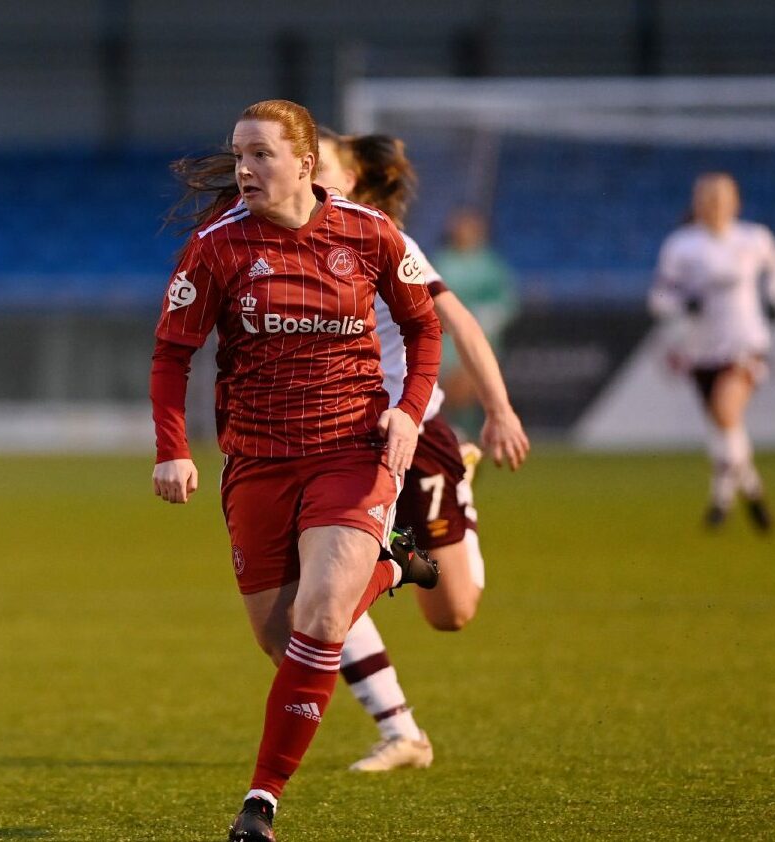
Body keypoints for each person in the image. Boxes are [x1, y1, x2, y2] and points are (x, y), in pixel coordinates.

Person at [150, 99, 443, 842]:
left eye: (261, 155)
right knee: (285, 643)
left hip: (351, 451)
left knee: (320, 618)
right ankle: (390, 566)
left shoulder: (369, 232)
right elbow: (172, 354)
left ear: (306, 164)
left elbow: (424, 326)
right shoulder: (216, 247)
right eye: (238, 155)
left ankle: (261, 804)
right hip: (256, 462)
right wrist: (172, 447)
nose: (244, 169)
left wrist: (408, 412)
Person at [315, 129, 530, 771]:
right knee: (320, 590)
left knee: (451, 612)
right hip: (333, 445)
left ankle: (437, 509)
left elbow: (457, 322)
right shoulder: (265, 248)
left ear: (351, 180)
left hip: (416, 434)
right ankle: (402, 731)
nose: (307, 176)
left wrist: (498, 409)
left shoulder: (384, 240)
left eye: (319, 165)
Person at [649, 172, 775, 531]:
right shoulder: (681, 246)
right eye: (707, 199)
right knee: (723, 427)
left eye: (721, 199)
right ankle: (743, 492)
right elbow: (659, 297)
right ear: (696, 204)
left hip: (745, 343)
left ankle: (730, 501)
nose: (714, 206)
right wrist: (683, 304)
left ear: (735, 203)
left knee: (726, 411)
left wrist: (774, 300)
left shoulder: (753, 238)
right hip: (701, 350)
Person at [430, 207, 519, 437]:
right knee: (446, 390)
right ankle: (451, 434)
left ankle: (469, 434)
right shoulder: (442, 261)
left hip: (479, 337)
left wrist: (483, 322)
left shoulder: (490, 265)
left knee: (469, 388)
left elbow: (506, 303)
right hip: (445, 339)